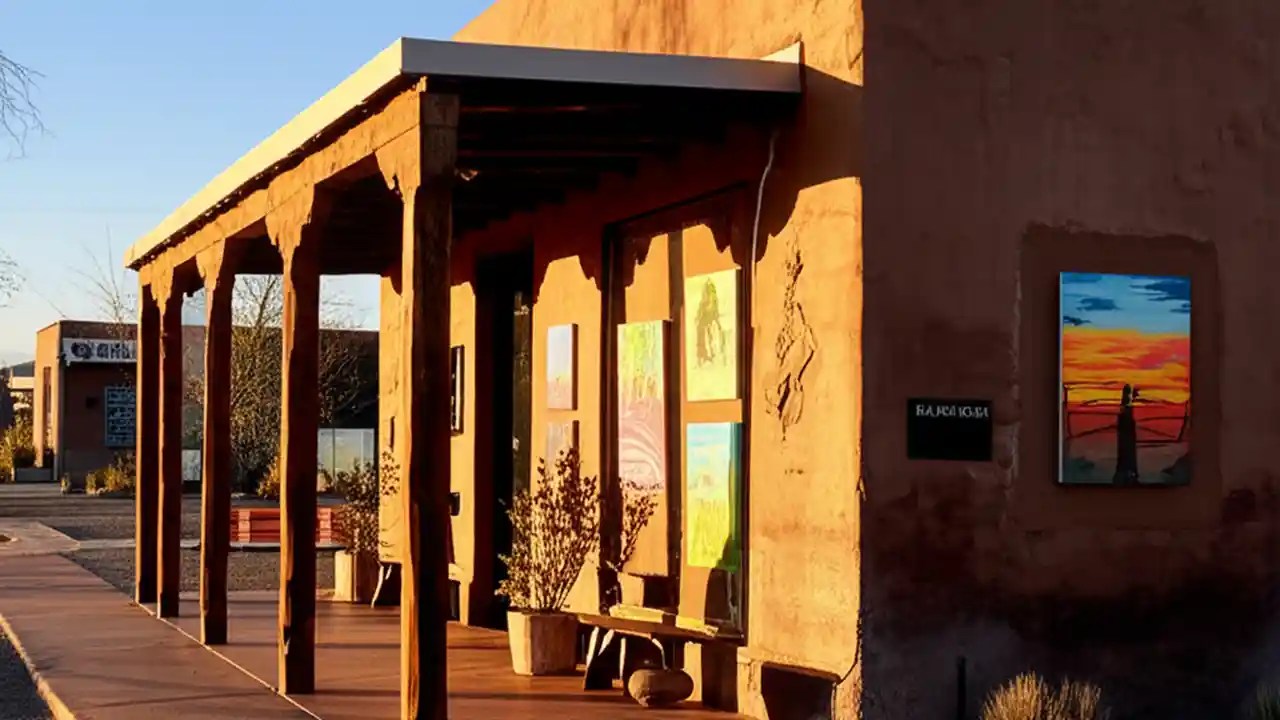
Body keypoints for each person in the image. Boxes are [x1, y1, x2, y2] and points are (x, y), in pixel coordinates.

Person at [1113, 384, 1140, 484]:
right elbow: (1127, 409)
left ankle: (1128, 473)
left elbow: (1127, 408)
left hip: (1126, 431)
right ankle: (1128, 473)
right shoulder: (1125, 408)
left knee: (1126, 453)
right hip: (1126, 431)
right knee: (1127, 453)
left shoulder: (1125, 406)